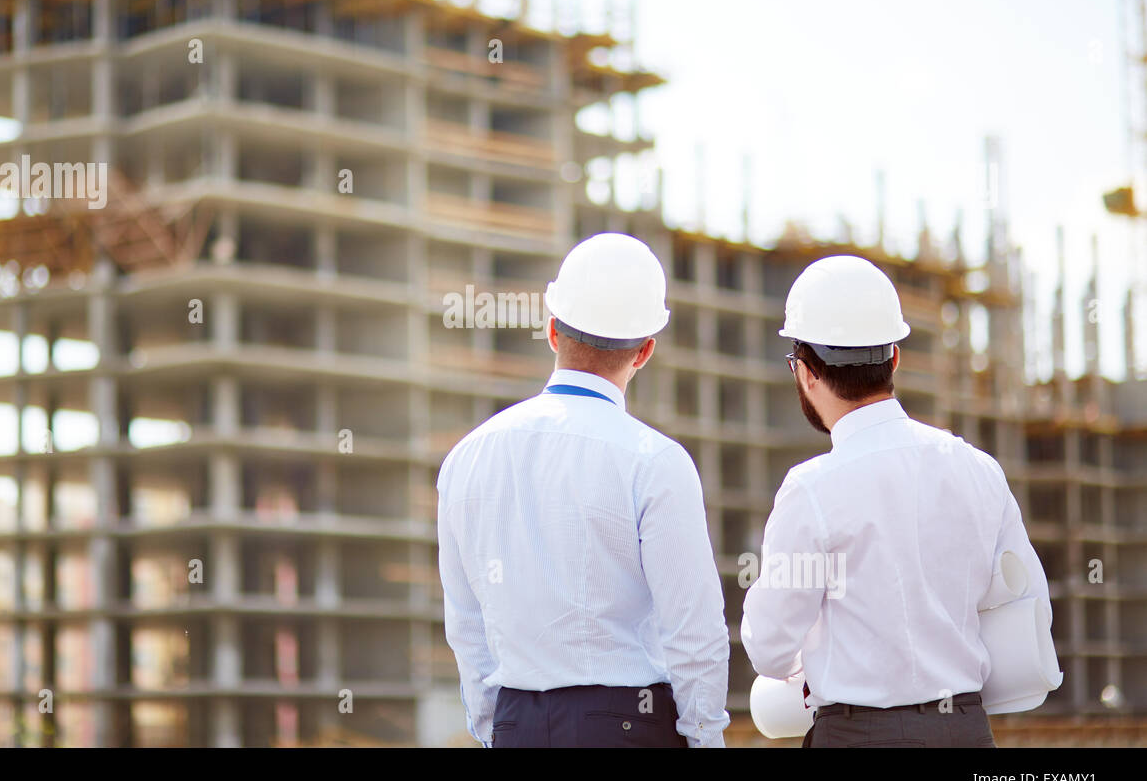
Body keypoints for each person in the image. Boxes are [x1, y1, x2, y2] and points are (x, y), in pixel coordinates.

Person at [741, 254, 1052, 747]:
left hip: (858, 734)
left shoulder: (811, 490)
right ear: (895, 358)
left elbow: (770, 648)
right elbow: (1021, 599)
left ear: (803, 372)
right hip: (966, 732)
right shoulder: (978, 469)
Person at [437, 232, 730, 747]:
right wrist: (704, 737)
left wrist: (496, 729)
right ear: (645, 350)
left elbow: (467, 627)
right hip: (627, 725)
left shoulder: (467, 456)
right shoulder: (657, 462)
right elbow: (695, 632)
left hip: (516, 722)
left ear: (552, 330)